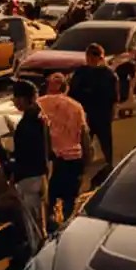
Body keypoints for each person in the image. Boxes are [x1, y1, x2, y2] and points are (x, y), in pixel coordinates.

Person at [0, 80, 50, 259]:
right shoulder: (38, 117)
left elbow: (27, 157)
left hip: (30, 179)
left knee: (34, 227)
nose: (13, 101)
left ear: (23, 99)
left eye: (15, 97)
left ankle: (38, 261)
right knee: (38, 222)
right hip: (38, 176)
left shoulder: (29, 124)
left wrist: (7, 160)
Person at [38, 74, 87, 226]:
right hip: (73, 158)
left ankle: (51, 224)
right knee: (70, 198)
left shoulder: (40, 104)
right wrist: (86, 159)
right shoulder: (76, 106)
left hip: (51, 159)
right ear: (66, 87)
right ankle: (67, 224)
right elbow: (84, 133)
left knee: (49, 198)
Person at [68, 43, 119, 167]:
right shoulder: (81, 73)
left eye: (94, 57)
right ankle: (82, 167)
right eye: (89, 57)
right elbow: (72, 95)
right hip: (86, 116)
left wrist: (112, 113)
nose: (91, 60)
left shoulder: (108, 75)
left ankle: (108, 166)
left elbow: (114, 98)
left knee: (106, 145)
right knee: (83, 145)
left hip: (101, 115)